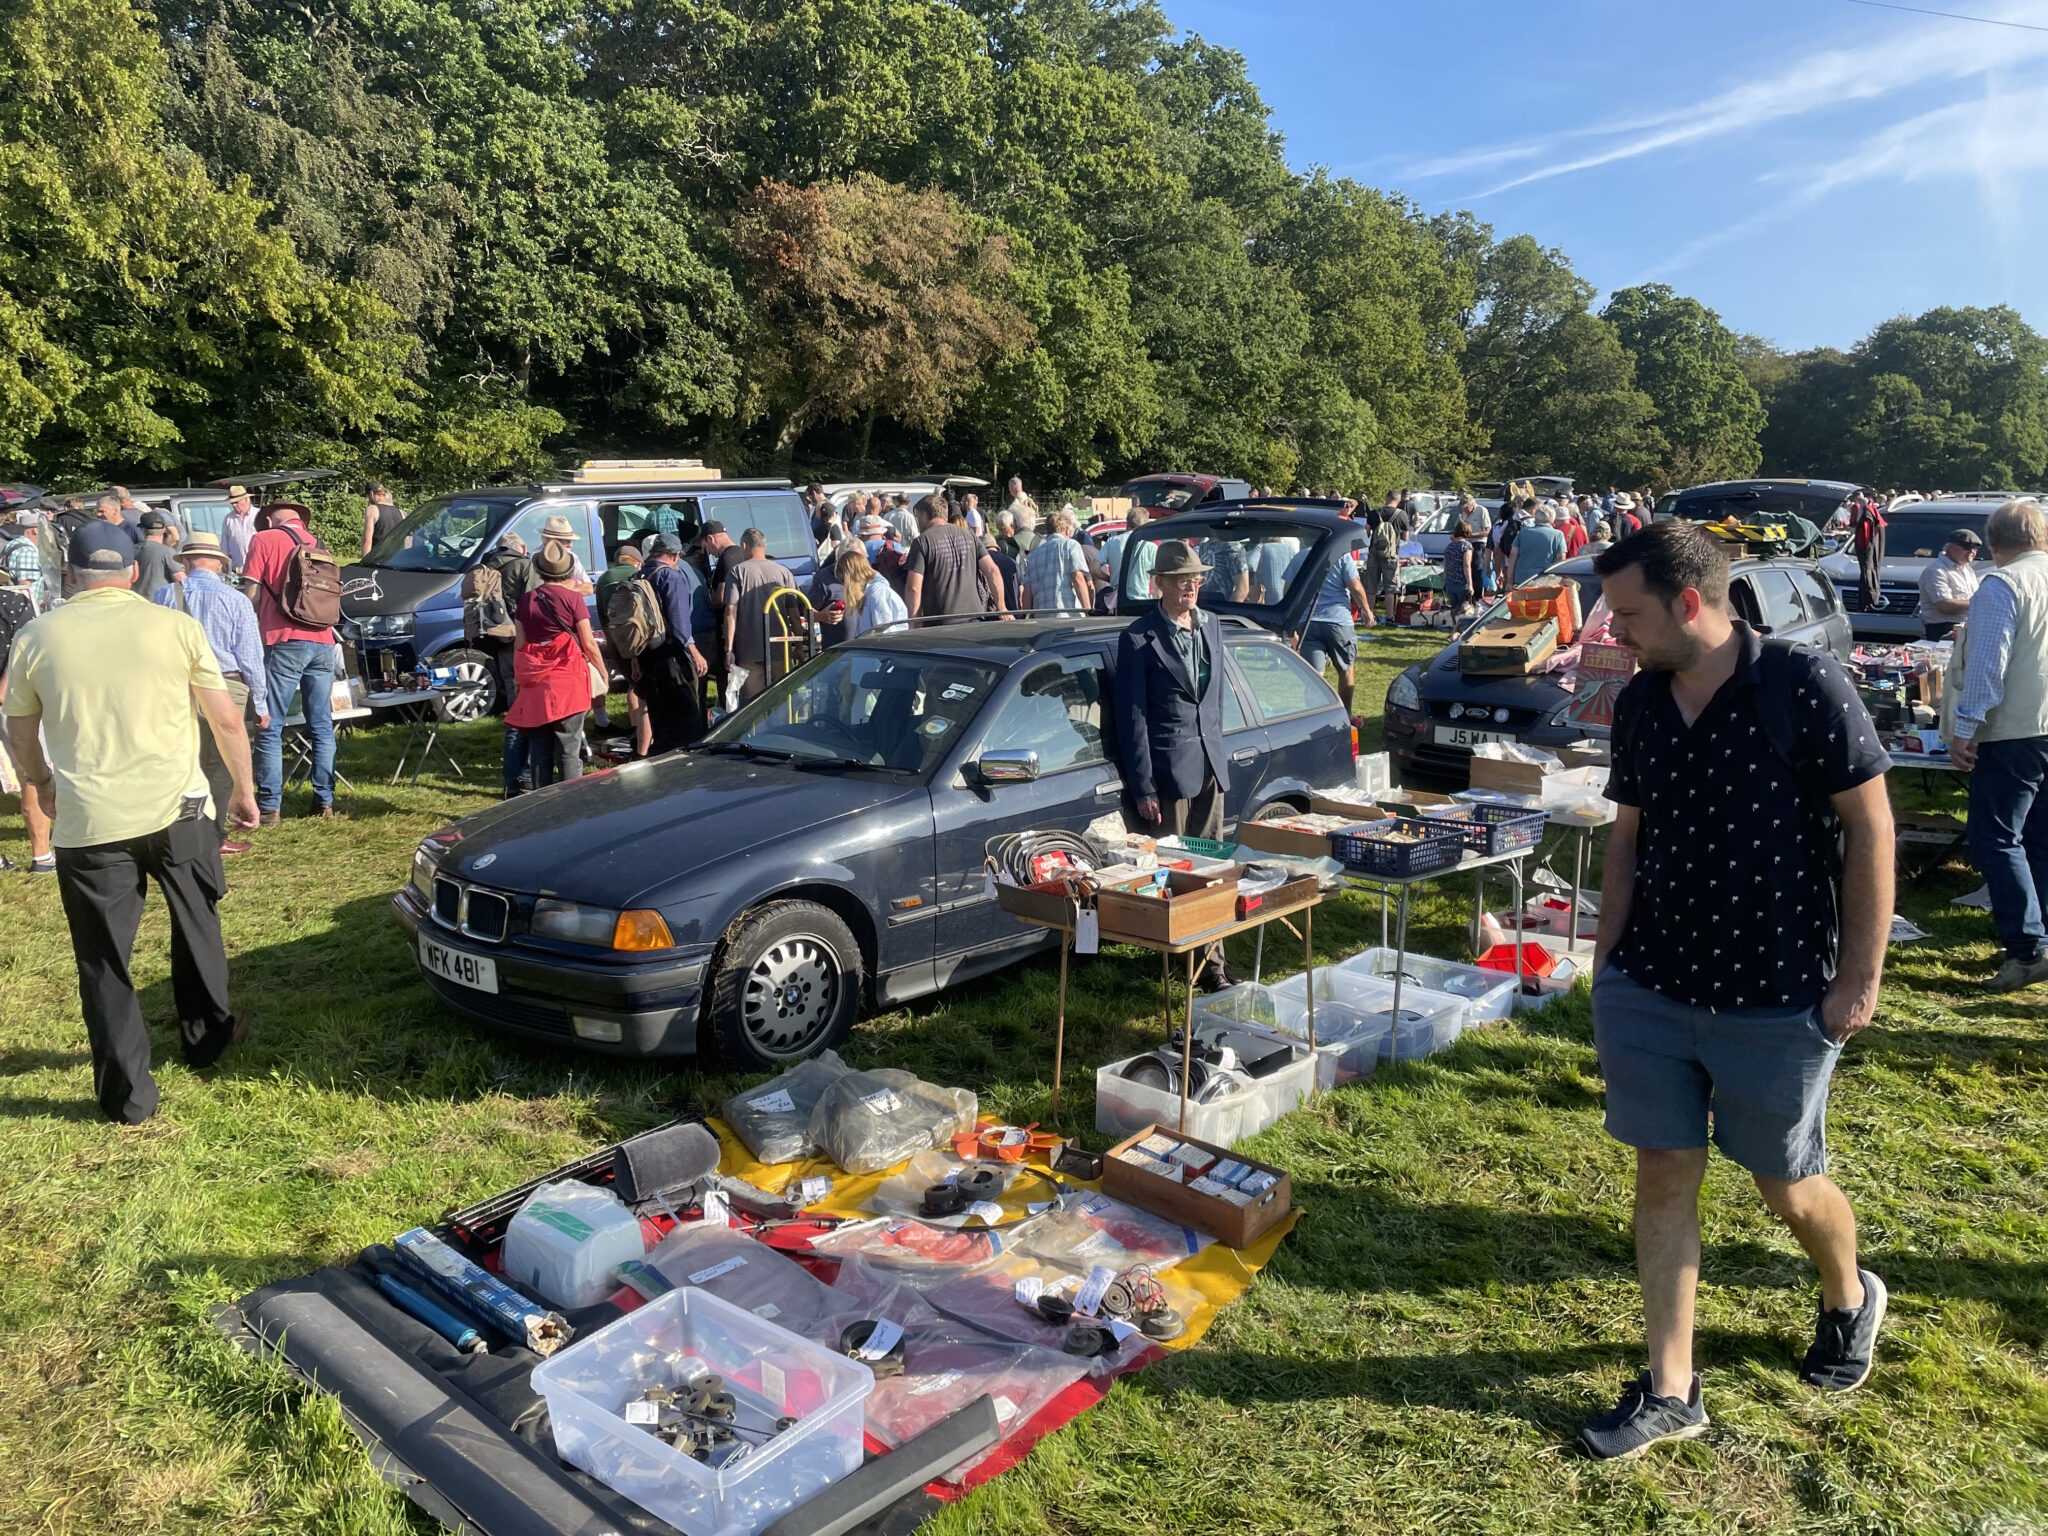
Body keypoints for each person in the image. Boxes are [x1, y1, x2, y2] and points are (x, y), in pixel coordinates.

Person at [1579, 519, 1893, 1461]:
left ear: (1688, 602)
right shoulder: (1639, 702)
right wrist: (1607, 959)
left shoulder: (1802, 685)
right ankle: (1673, 1388)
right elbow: (1627, 835)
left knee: (1786, 1184)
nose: (1613, 634)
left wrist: (1857, 981)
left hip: (1778, 992)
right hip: (1653, 986)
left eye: (1627, 614)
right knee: (1662, 1171)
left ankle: (1849, 1292)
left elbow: (1872, 831)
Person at [2, 522, 258, 1123]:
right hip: (181, 809)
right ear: (134, 572)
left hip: (90, 819)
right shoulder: (174, 626)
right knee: (198, 923)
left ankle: (128, 1097)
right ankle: (207, 1040)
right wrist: (244, 789)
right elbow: (223, 718)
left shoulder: (39, 635)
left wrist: (40, 782)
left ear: (71, 575)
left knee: (103, 958)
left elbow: (17, 728)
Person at [1115, 541, 1235, 991]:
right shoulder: (1138, 637)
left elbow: (1215, 701)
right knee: (1181, 872)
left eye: (1196, 577)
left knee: (1214, 870)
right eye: (1181, 578)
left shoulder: (1212, 625)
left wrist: (1218, 749)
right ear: (1159, 583)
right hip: (1170, 770)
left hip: (1210, 766)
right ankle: (1191, 966)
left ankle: (1214, 967)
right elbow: (1133, 717)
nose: (1191, 585)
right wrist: (1144, 787)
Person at [1948, 498, 2048, 992]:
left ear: (1993, 542)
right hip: (2042, 723)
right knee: (2038, 837)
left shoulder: (2002, 584)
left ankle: (2027, 947)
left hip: (2016, 729)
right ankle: (2039, 935)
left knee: (1996, 838)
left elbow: (1989, 663)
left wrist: (1965, 727)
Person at [150, 531, 269, 855]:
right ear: (219, 563)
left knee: (184, 762)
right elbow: (250, 659)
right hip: (226, 685)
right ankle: (214, 838)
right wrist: (260, 701)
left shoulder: (163, 596)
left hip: (177, 687)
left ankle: (180, 831)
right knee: (223, 766)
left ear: (186, 561)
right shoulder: (236, 600)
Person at [242, 501, 341, 823]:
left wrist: (249, 632)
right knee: (322, 725)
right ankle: (324, 801)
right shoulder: (318, 544)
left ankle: (270, 806)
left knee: (270, 725)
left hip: (282, 638)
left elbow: (252, 592)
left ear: (269, 519)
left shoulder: (263, 539)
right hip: (323, 639)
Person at [504, 544, 606, 789]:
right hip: (569, 680)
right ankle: (569, 807)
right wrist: (602, 672)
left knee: (540, 750)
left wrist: (518, 680)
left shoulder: (526, 600)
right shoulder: (573, 599)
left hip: (536, 682)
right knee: (569, 749)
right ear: (568, 570)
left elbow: (519, 644)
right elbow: (588, 643)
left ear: (538, 569)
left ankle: (542, 803)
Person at [0, 564, 55, 872]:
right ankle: (42, 855)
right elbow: (26, 649)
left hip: (10, 697)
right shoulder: (15, 604)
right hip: (13, 700)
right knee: (32, 775)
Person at [635, 535, 711, 751]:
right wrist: (694, 652)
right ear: (676, 555)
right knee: (686, 716)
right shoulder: (671, 576)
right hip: (672, 655)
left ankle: (660, 759)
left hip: (646, 655)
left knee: (660, 715)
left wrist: (634, 659)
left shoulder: (639, 575)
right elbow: (679, 622)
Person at [1288, 536, 1374, 713]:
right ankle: (1345, 714)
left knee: (1314, 676)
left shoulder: (1300, 557)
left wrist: (1291, 622)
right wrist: (1366, 610)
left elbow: (1288, 589)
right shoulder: (1341, 556)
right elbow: (1355, 586)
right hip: (1338, 621)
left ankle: (1315, 715)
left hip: (1308, 621)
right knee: (1346, 670)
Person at [722, 528, 797, 705]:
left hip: (749, 649)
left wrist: (729, 649)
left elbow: (730, 612)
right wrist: (799, 645)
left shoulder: (737, 572)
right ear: (765, 546)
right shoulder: (783, 572)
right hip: (780, 648)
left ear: (744, 546)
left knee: (753, 705)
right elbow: (793, 609)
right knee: (782, 702)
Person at [907, 496, 1006, 625]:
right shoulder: (969, 535)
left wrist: (914, 623)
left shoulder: (922, 541)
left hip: (940, 622)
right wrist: (1002, 608)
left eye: (918, 517)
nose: (918, 522)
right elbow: (992, 570)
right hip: (973, 619)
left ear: (925, 515)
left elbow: (913, 588)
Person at [1916, 528, 1981, 643]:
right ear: (1950, 547)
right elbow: (1944, 606)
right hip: (1943, 630)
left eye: (1975, 548)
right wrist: (1980, 602)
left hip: (1967, 627)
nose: (1972, 551)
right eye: (1966, 546)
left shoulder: (1967, 570)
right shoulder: (1936, 570)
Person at [1022, 509, 1092, 612]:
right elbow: (1078, 578)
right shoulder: (1071, 545)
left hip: (1041, 618)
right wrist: (1088, 610)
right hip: (1067, 615)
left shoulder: (1033, 555)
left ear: (1047, 531)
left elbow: (1027, 590)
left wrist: (1027, 617)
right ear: (1067, 530)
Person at [839, 545, 908, 638]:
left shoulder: (878, 594)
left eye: (843, 580)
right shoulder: (868, 593)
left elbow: (884, 636)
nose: (844, 585)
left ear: (851, 577)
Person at [1512, 504, 1567, 588]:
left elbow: (1513, 556)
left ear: (1536, 517)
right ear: (1552, 519)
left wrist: (1509, 581)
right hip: (1546, 579)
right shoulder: (1558, 534)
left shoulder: (1523, 532)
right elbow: (1561, 559)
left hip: (1522, 579)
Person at [1851, 495, 1888, 612]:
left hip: (1869, 561)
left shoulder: (1867, 516)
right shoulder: (1872, 514)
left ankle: (1868, 598)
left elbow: (1864, 543)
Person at [132, 511, 179, 596]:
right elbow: (179, 577)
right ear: (164, 530)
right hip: (160, 603)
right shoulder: (168, 552)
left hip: (137, 602)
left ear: (143, 530)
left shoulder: (131, 549)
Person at [219, 484, 259, 573]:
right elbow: (224, 543)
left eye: (236, 502)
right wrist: (224, 562)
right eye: (232, 503)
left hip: (258, 568)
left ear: (246, 500)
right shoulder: (228, 519)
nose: (234, 505)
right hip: (238, 569)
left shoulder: (258, 515)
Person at [1441, 519, 1477, 617]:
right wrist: (1470, 584)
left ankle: (1454, 627)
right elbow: (1466, 565)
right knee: (1464, 610)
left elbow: (1445, 565)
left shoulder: (1449, 547)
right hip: (1462, 582)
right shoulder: (1466, 546)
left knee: (1454, 608)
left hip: (1450, 582)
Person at [361, 483, 404, 557]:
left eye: (367, 497)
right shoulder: (400, 512)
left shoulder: (372, 509)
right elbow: (407, 539)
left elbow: (367, 540)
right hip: (396, 558)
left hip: (378, 558)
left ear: (371, 494)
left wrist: (365, 562)